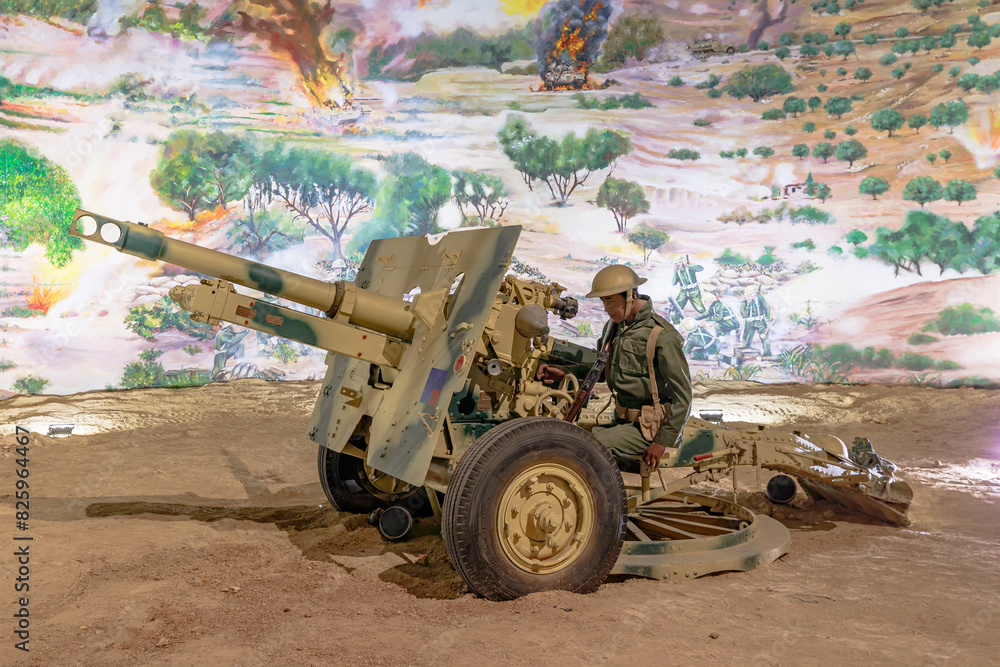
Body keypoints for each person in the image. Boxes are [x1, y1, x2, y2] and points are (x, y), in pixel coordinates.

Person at [537, 265, 693, 471]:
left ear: (630, 296)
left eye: (610, 300)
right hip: (620, 420)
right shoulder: (614, 327)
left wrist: (662, 442)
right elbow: (602, 370)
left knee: (586, 444)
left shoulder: (661, 335)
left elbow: (684, 396)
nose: (606, 308)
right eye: (603, 301)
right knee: (570, 436)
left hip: (647, 429)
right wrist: (566, 373)